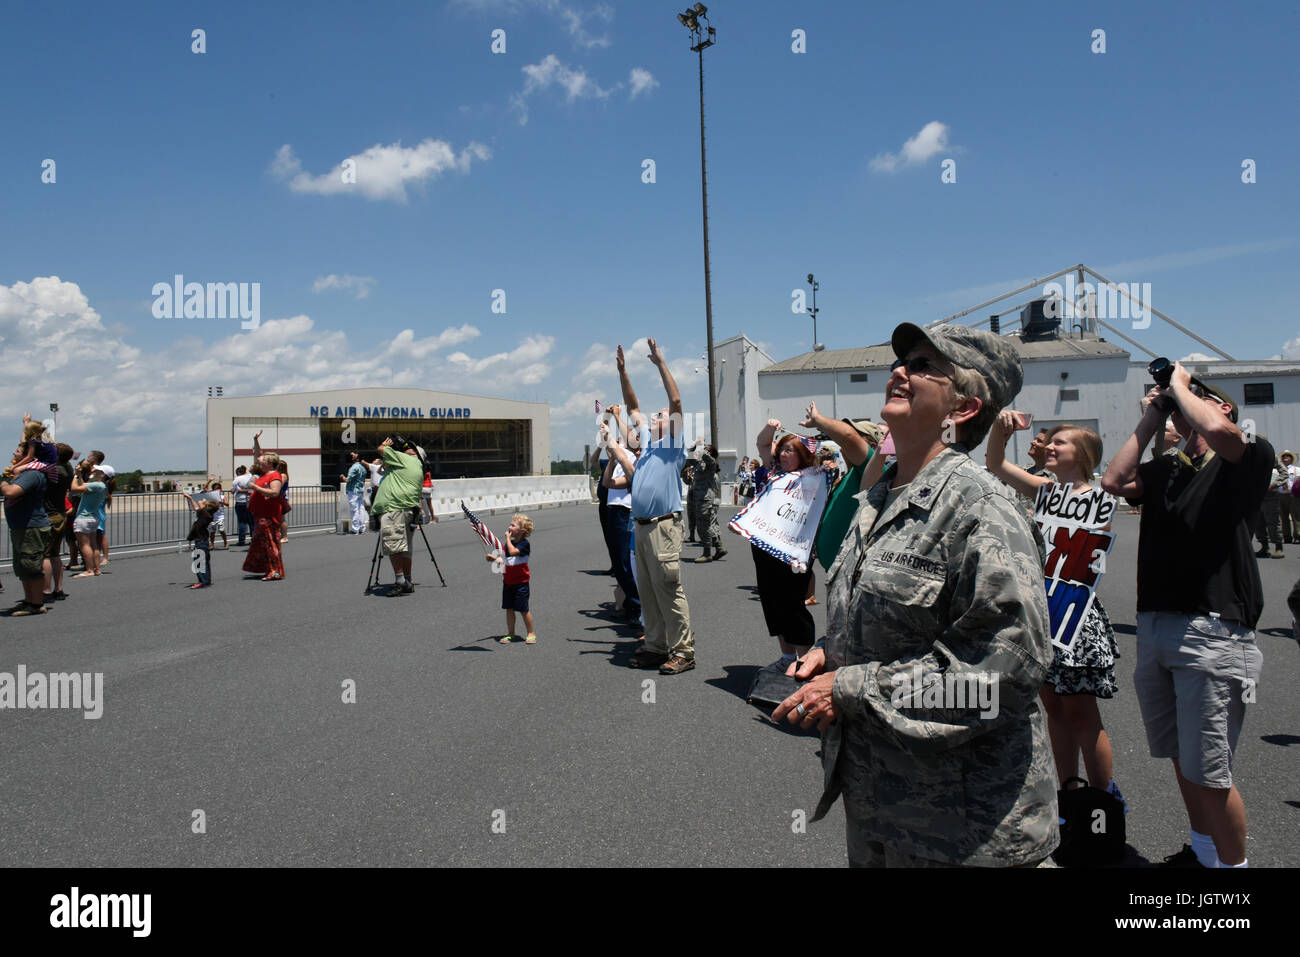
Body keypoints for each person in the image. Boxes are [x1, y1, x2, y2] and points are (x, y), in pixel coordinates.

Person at [774, 322, 1057, 868]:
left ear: (964, 408)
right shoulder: (876, 497)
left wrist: (853, 686)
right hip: (881, 811)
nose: (900, 371)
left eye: (926, 365)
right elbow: (885, 613)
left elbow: (1006, 672)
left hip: (966, 832)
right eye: (902, 362)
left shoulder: (982, 509)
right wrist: (832, 652)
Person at [1102, 363, 1267, 869]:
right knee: (1182, 760)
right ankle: (1203, 855)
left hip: (1213, 629)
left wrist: (1180, 384)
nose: (1182, 409)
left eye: (1197, 401)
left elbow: (1220, 432)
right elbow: (1113, 479)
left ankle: (1233, 877)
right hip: (1156, 625)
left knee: (1211, 773)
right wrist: (1155, 414)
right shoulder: (1167, 468)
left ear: (1225, 410)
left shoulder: (1245, 457)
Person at [988, 416, 1125, 807]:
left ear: (1081, 454)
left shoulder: (1099, 499)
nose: (1048, 446)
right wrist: (1000, 429)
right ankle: (1069, 791)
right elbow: (996, 464)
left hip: (1074, 613)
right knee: (1053, 708)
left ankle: (1102, 801)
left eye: (1059, 443)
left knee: (1081, 712)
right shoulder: (1044, 491)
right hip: (1041, 608)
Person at [617, 338, 695, 675]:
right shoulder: (648, 444)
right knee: (647, 591)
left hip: (664, 526)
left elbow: (675, 399)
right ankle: (655, 645)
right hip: (643, 525)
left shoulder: (673, 445)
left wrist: (660, 363)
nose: (653, 416)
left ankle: (684, 651)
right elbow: (632, 405)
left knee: (668, 589)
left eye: (660, 415)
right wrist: (623, 371)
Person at [743, 420, 825, 668]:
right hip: (765, 547)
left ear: (802, 455)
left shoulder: (815, 479)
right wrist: (770, 427)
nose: (784, 454)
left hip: (794, 551)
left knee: (792, 603)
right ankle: (787, 656)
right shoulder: (772, 471)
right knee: (772, 600)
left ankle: (805, 659)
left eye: (791, 450)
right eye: (783, 449)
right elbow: (762, 442)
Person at [601, 407, 641, 622]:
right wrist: (606, 420)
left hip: (626, 512)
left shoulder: (636, 458)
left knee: (626, 562)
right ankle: (631, 602)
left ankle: (636, 606)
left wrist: (616, 416)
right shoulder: (620, 455)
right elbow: (607, 483)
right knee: (617, 562)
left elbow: (631, 441)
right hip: (613, 511)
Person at [369, 437, 424, 595]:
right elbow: (385, 467)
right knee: (405, 548)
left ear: (415, 454)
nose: (405, 449)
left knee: (394, 545)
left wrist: (385, 445)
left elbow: (381, 449)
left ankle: (400, 581)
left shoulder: (406, 459)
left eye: (409, 448)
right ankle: (407, 579)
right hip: (407, 509)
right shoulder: (416, 464)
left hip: (394, 508)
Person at [1, 459, 53, 615]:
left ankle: (37, 604)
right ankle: (29, 601)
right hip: (21, 526)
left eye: (18, 452)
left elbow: (11, 492)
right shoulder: (25, 474)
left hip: (31, 526)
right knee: (23, 566)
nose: (13, 456)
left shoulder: (32, 474)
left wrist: (3, 483)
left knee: (31, 566)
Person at [494, 514, 536, 643]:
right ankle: (511, 633)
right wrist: (494, 559)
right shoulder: (508, 544)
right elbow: (500, 563)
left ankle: (531, 633)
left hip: (521, 583)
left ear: (522, 531)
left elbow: (513, 552)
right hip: (508, 582)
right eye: (510, 524)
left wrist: (506, 538)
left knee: (523, 609)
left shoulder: (524, 544)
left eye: (513, 525)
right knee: (509, 608)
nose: (509, 527)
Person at [42, 443, 75, 603]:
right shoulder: (67, 470)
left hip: (50, 514)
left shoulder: (54, 471)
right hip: (61, 514)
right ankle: (58, 589)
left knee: (46, 555)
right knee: (55, 554)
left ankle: (46, 590)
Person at [242, 459, 285, 581]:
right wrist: (255, 440)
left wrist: (255, 487)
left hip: (268, 516)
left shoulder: (275, 475)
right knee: (261, 544)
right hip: (260, 515)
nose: (259, 463)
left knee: (269, 544)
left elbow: (275, 492)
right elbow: (257, 455)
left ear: (270, 464)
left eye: (263, 461)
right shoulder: (263, 474)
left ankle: (275, 571)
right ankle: (268, 569)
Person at [70, 465, 108, 578]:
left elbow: (74, 488)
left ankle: (89, 569)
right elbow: (82, 485)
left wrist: (76, 475)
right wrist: (80, 475)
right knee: (93, 544)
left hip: (84, 517)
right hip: (93, 517)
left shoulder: (96, 485)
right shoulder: (101, 486)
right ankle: (96, 569)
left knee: (84, 545)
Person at [692, 440, 726, 563]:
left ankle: (707, 553)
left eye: (707, 448)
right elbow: (696, 456)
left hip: (706, 499)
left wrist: (702, 448)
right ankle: (719, 548)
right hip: (699, 498)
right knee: (704, 525)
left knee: (704, 526)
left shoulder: (711, 463)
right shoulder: (700, 463)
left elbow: (708, 458)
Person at [1253, 453, 1287, 558]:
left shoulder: (1272, 457)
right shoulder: (1249, 456)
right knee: (1258, 522)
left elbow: (1284, 473)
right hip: (1255, 496)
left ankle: (1278, 548)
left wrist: (1274, 484)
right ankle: (1264, 547)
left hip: (1270, 495)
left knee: (1273, 521)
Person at [187, 500, 219, 588]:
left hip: (201, 541)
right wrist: (189, 497)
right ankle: (205, 580)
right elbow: (197, 507)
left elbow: (200, 504)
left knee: (199, 562)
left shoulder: (206, 515)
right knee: (200, 562)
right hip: (201, 541)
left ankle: (203, 581)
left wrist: (203, 502)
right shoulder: (204, 514)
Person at [340, 453, 368, 534]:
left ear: (357, 458)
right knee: (361, 509)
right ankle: (362, 528)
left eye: (355, 455)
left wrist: (342, 477)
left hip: (353, 490)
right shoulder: (363, 468)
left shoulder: (354, 467)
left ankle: (355, 528)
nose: (353, 455)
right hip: (360, 490)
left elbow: (347, 480)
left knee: (354, 510)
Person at [1278, 450, 1299, 543]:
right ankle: (1287, 536)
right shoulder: (1277, 469)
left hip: (1293, 495)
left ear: (1291, 459)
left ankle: (1298, 535)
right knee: (1283, 517)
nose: (1285, 457)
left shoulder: (1297, 469)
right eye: (1283, 456)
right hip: (1281, 495)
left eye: (1288, 456)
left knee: (1296, 516)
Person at [232, 465, 254, 546]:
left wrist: (240, 490)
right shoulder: (251, 477)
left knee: (242, 522)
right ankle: (253, 539)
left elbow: (233, 490)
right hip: (250, 501)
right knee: (252, 522)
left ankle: (241, 540)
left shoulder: (237, 479)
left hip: (240, 501)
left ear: (238, 472)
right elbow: (253, 489)